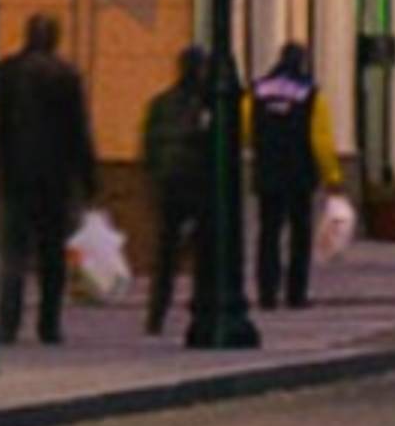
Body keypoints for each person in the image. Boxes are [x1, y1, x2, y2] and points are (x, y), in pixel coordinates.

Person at [0, 13, 92, 345]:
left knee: (14, 253)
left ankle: (8, 322)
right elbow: (78, 131)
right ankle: (48, 325)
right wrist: (88, 178)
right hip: (54, 178)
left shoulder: (6, 72)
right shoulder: (65, 75)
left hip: (15, 175)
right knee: (51, 257)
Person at [138, 47, 229, 335]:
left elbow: (149, 145)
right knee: (203, 253)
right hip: (197, 186)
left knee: (166, 254)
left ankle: (156, 314)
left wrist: (152, 177)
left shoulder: (161, 103)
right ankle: (201, 309)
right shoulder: (209, 106)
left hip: (167, 185)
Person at [248, 42, 326, 309]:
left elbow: (245, 129)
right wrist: (333, 174)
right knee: (299, 235)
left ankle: (267, 293)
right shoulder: (308, 91)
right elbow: (320, 137)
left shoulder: (258, 89)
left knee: (268, 233)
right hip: (299, 173)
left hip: (268, 172)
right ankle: (296, 293)